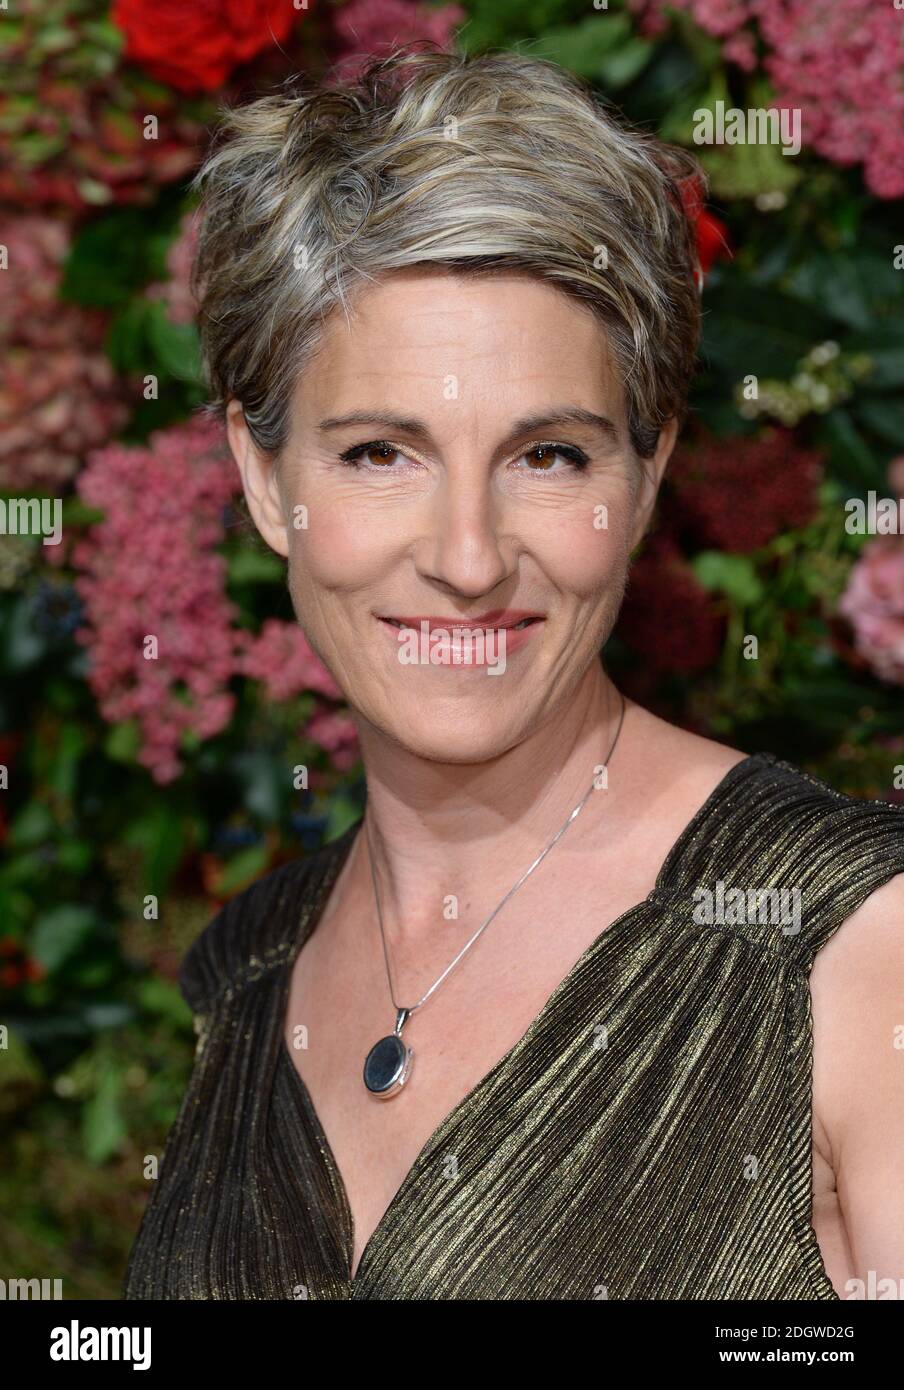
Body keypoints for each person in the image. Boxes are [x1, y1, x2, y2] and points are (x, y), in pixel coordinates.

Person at [122, 46, 904, 1300]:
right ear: (267, 480)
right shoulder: (250, 969)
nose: (469, 556)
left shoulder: (852, 946)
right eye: (381, 452)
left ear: (646, 474)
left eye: (549, 455)